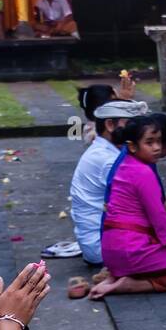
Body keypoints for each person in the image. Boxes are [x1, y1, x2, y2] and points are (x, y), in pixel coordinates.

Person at [89, 115, 166, 299]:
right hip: (130, 249)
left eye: (158, 142)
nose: (157, 148)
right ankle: (133, 285)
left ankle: (117, 276)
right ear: (132, 146)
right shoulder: (143, 172)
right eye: (149, 142)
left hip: (113, 250)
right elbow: (160, 220)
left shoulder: (127, 164)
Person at [69, 96, 145, 266]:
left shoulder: (110, 151)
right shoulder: (106, 159)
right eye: (132, 125)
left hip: (104, 241)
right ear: (110, 125)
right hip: (103, 246)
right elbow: (149, 203)